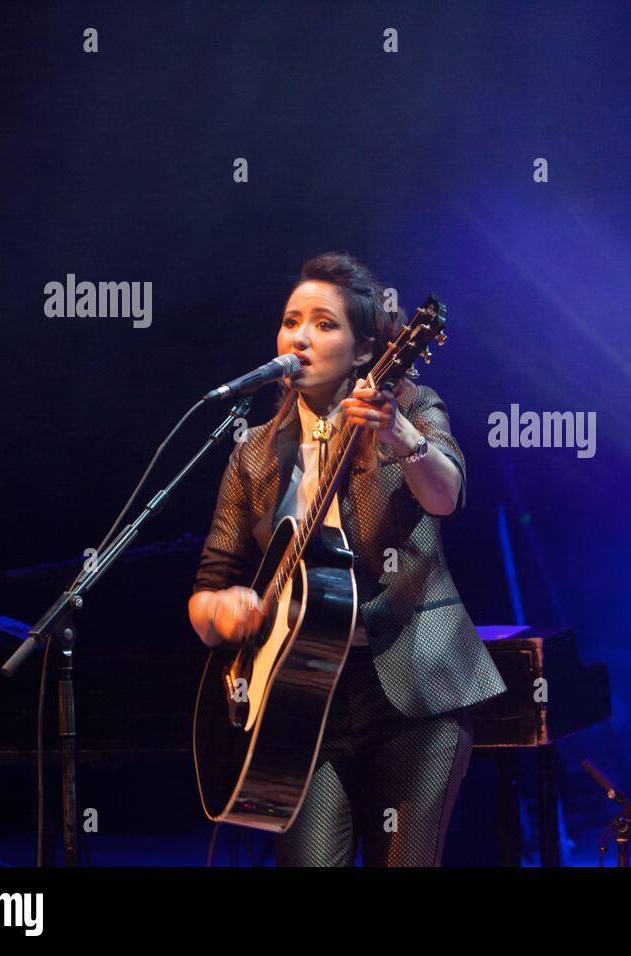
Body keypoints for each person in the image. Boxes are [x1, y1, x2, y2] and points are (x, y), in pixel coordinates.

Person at [188, 251, 506, 866]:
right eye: (290, 321)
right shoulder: (253, 453)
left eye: (324, 324)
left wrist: (400, 437)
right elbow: (209, 588)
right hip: (301, 703)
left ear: (365, 350)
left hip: (415, 689)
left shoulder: (409, 405)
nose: (300, 337)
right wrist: (220, 611)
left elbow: (446, 496)